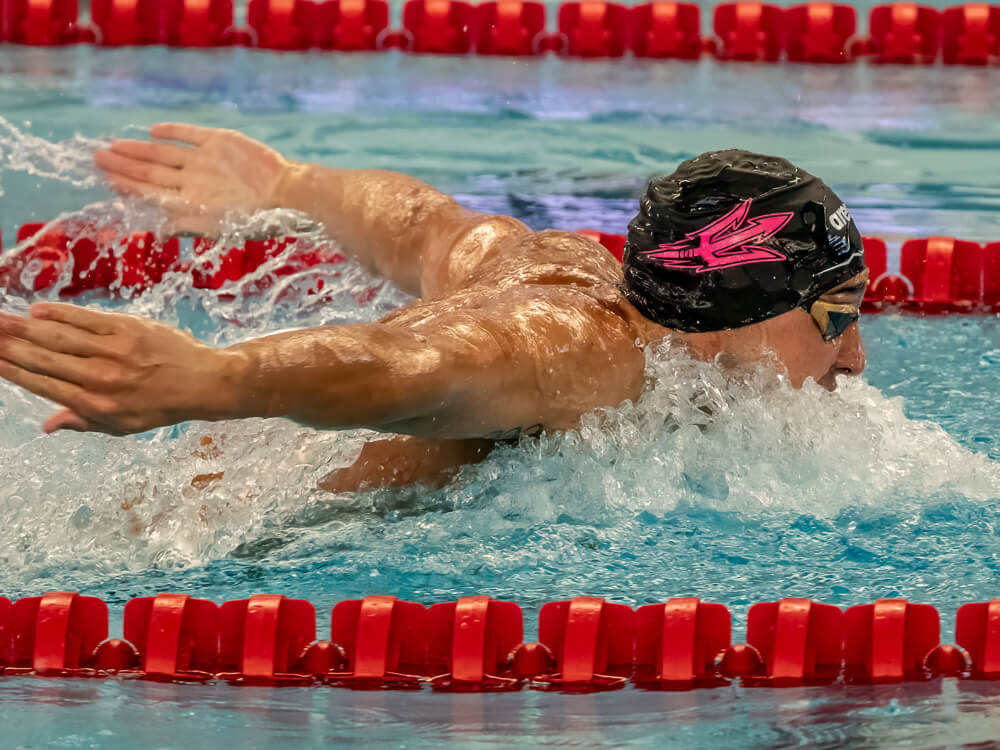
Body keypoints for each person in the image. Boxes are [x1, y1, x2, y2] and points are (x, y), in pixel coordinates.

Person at [0, 126, 868, 490]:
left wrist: (290, 181)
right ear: (735, 308)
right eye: (835, 315)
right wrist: (213, 378)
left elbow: (426, 227)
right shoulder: (585, 352)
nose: (855, 357)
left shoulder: (563, 268)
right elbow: (408, 368)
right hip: (187, 534)